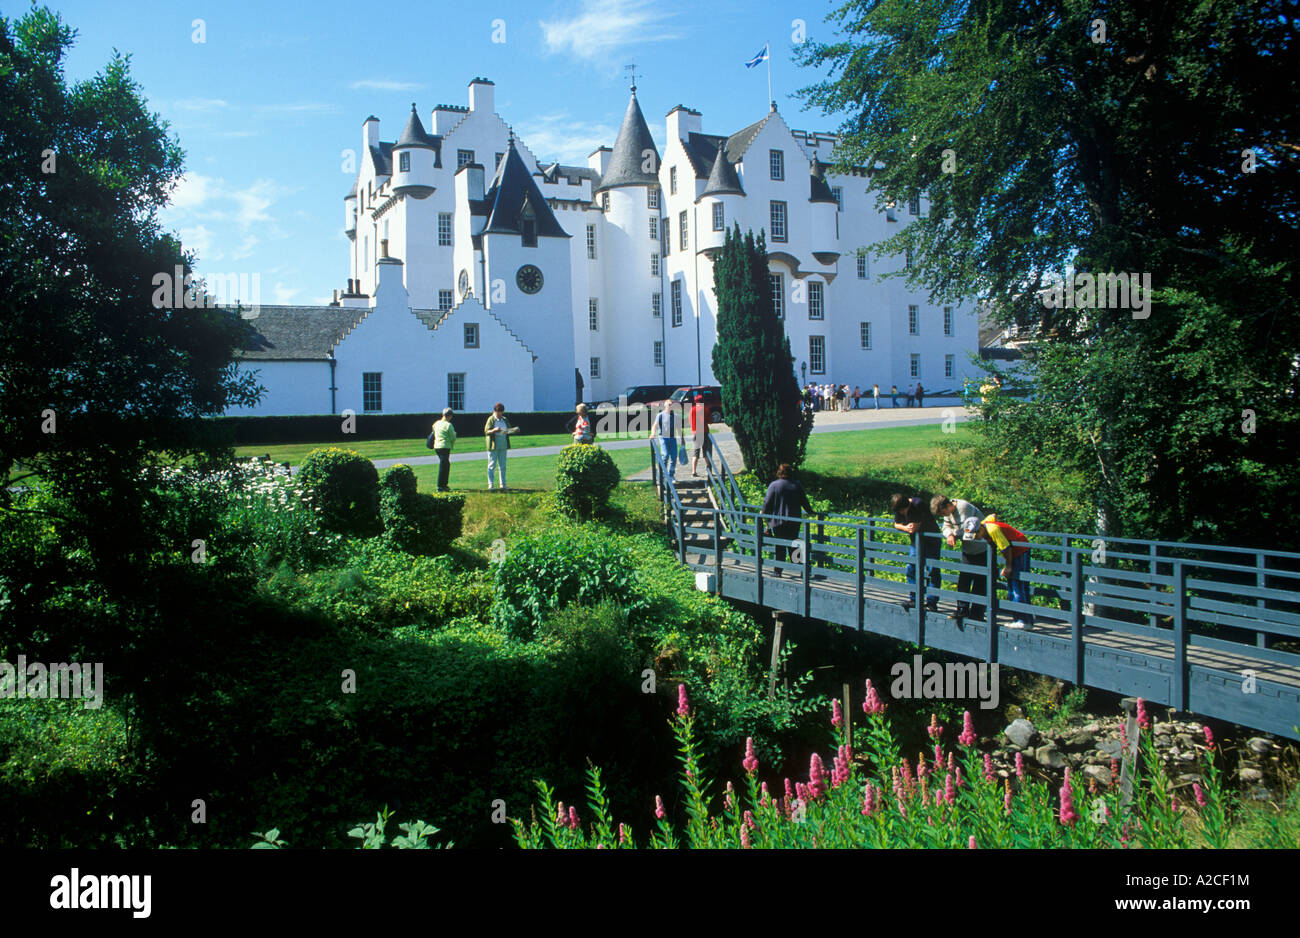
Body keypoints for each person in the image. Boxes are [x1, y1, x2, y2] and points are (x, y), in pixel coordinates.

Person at [972, 514, 1034, 628]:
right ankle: (1023, 619)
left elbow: (1006, 548)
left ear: (981, 529)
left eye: (976, 534)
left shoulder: (993, 530)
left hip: (1020, 550)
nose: (975, 537)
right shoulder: (984, 523)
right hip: (1014, 552)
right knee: (1012, 587)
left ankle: (1024, 621)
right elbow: (992, 516)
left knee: (1018, 587)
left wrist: (1008, 566)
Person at [931, 494, 986, 620]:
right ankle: (962, 610)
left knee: (980, 582)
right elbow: (945, 527)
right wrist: (949, 534)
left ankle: (977, 614)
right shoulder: (949, 513)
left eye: (943, 513)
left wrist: (953, 534)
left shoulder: (963, 507)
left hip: (982, 548)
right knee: (964, 580)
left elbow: (966, 529)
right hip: (968, 550)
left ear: (948, 506)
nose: (944, 516)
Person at [761, 464, 815, 577]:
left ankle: (777, 571)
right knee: (794, 545)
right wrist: (810, 511)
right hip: (794, 521)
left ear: (779, 473)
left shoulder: (774, 485)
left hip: (778, 521)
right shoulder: (796, 485)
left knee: (780, 546)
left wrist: (763, 512)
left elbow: (767, 502)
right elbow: (804, 501)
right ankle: (802, 570)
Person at [890, 492, 940, 612]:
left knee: (932, 570)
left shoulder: (918, 504)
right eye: (900, 512)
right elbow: (896, 524)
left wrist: (911, 527)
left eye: (903, 511)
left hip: (931, 539)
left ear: (907, 505)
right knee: (911, 567)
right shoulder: (898, 506)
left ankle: (931, 602)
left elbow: (915, 527)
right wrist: (905, 528)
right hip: (916, 542)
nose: (902, 514)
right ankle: (914, 599)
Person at [484, 402, 517, 490]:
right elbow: (486, 431)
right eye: (498, 412)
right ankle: (491, 484)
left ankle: (503, 484)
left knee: (503, 465)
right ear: (495, 411)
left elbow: (508, 430)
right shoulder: (491, 419)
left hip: (503, 444)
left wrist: (514, 430)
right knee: (492, 465)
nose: (500, 414)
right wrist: (494, 430)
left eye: (501, 412)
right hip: (493, 445)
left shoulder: (504, 419)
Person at [651, 399, 684, 477]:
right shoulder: (660, 415)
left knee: (674, 457)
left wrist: (682, 439)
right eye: (669, 404)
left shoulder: (675, 416)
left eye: (672, 404)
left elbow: (679, 428)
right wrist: (652, 434)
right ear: (665, 406)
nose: (671, 406)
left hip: (672, 438)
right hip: (663, 438)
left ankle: (671, 475)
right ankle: (663, 474)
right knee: (665, 455)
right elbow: (655, 425)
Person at [431, 407, 457, 492]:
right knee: (444, 466)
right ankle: (440, 486)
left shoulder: (436, 423)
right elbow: (453, 438)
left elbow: (434, 430)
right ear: (449, 416)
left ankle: (444, 485)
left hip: (437, 446)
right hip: (445, 446)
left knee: (445, 464)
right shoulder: (449, 425)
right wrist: (454, 435)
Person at [688, 392, 710, 476]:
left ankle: (693, 471)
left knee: (696, 452)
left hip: (695, 432)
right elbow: (710, 420)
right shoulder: (705, 409)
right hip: (704, 431)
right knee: (706, 452)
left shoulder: (692, 409)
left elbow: (690, 421)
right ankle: (709, 468)